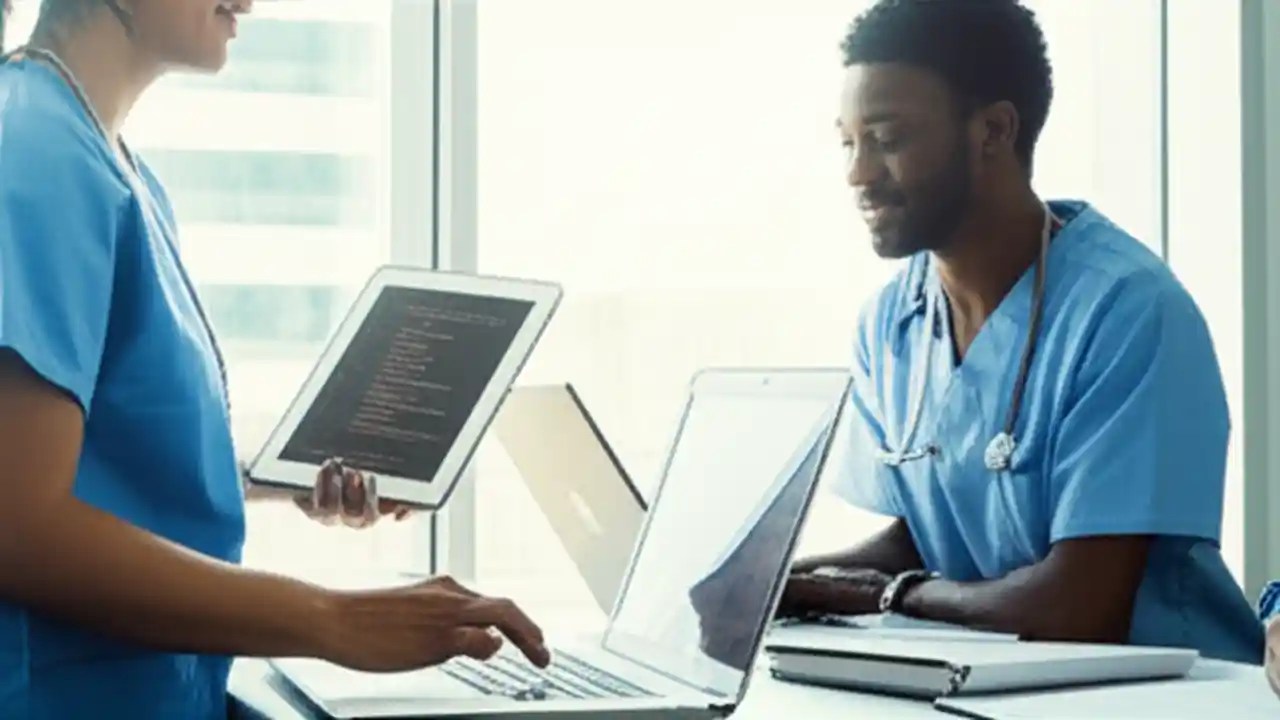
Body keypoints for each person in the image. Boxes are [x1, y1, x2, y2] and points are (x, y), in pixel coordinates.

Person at [0, 1, 548, 718]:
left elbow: (105, 455)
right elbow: (20, 527)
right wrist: (336, 619)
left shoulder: (106, 160)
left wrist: (278, 473)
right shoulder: (35, 153)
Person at [778, 0, 1265, 665]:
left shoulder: (1126, 313)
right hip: (991, 684)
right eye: (848, 141)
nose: (858, 173)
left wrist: (896, 596)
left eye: (887, 140)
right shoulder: (893, 323)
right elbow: (926, 540)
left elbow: (1079, 608)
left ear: (994, 130)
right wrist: (775, 583)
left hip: (1159, 697)